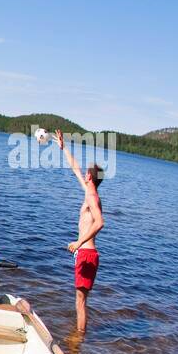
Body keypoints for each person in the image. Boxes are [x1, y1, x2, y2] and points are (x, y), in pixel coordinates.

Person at [55, 129, 105, 333]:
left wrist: (78, 243)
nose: (82, 173)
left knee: (80, 301)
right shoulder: (89, 192)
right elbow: (74, 168)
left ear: (90, 177)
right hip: (84, 254)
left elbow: (100, 222)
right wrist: (64, 147)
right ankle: (78, 337)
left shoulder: (92, 198)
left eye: (86, 172)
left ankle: (78, 339)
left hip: (86, 253)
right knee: (80, 300)